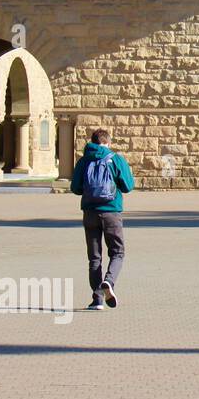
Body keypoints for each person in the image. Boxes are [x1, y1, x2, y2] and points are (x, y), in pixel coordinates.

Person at [69, 128, 135, 310]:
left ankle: (97, 299)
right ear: (108, 142)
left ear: (92, 142)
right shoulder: (115, 159)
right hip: (111, 212)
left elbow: (75, 188)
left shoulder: (83, 161)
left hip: (90, 213)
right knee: (117, 252)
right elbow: (128, 186)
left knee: (94, 258)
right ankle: (109, 281)